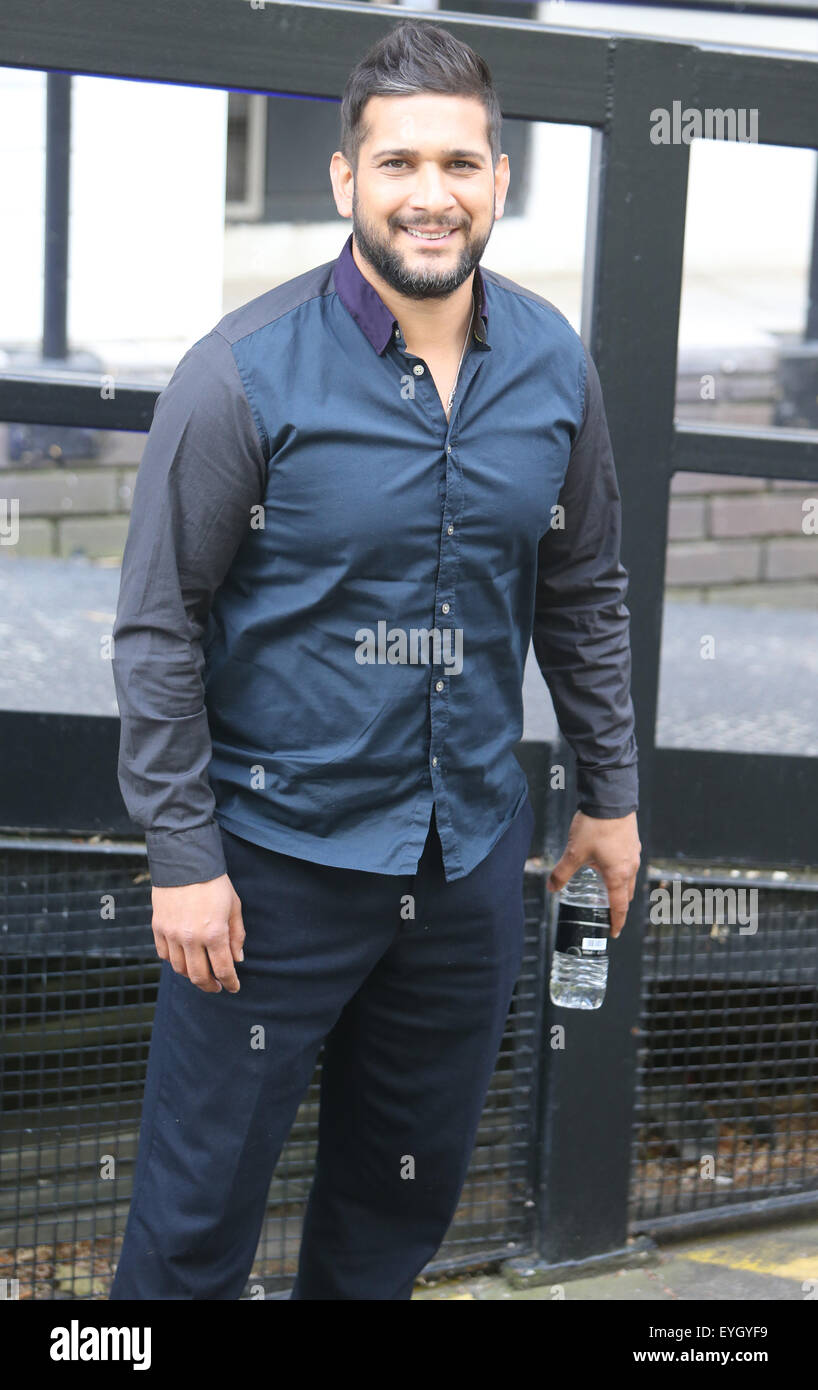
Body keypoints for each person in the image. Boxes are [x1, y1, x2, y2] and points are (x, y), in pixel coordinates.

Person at [108, 18, 641, 1301]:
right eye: (397, 162)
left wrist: (610, 795)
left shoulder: (552, 366)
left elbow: (582, 591)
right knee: (191, 1226)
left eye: (457, 163)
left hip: (463, 868)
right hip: (267, 874)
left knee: (392, 1214)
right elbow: (158, 624)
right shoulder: (239, 377)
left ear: (497, 179)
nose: (429, 194)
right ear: (345, 177)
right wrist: (182, 855)